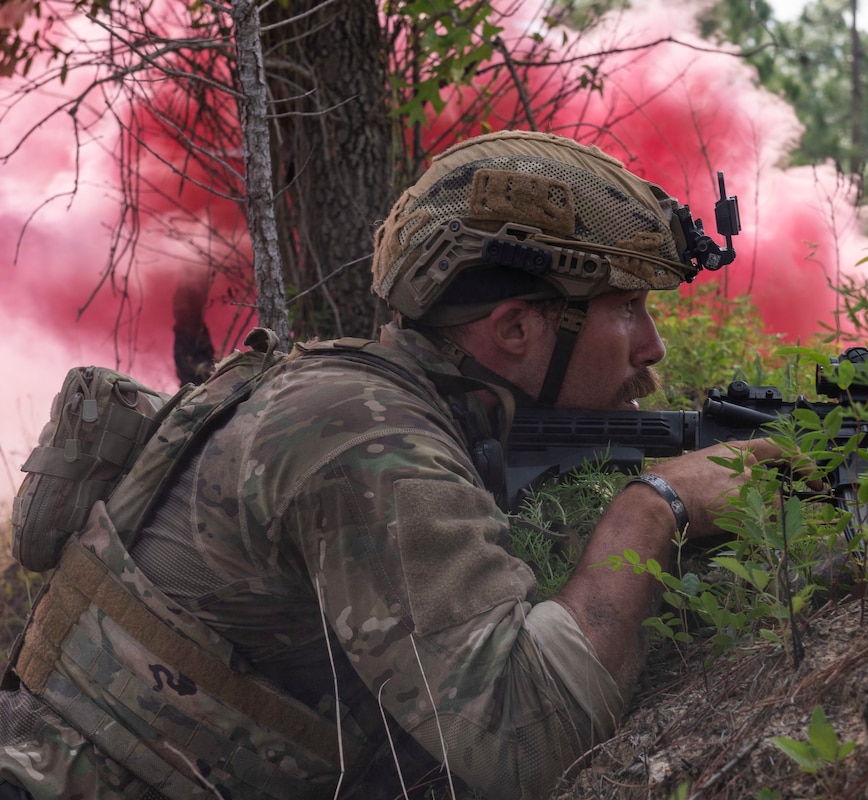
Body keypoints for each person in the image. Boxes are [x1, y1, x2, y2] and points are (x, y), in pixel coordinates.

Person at [0, 130, 783, 800]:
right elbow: (525, 738)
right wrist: (655, 509)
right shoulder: (364, 436)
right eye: (627, 309)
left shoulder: (392, 400)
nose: (654, 347)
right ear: (513, 330)